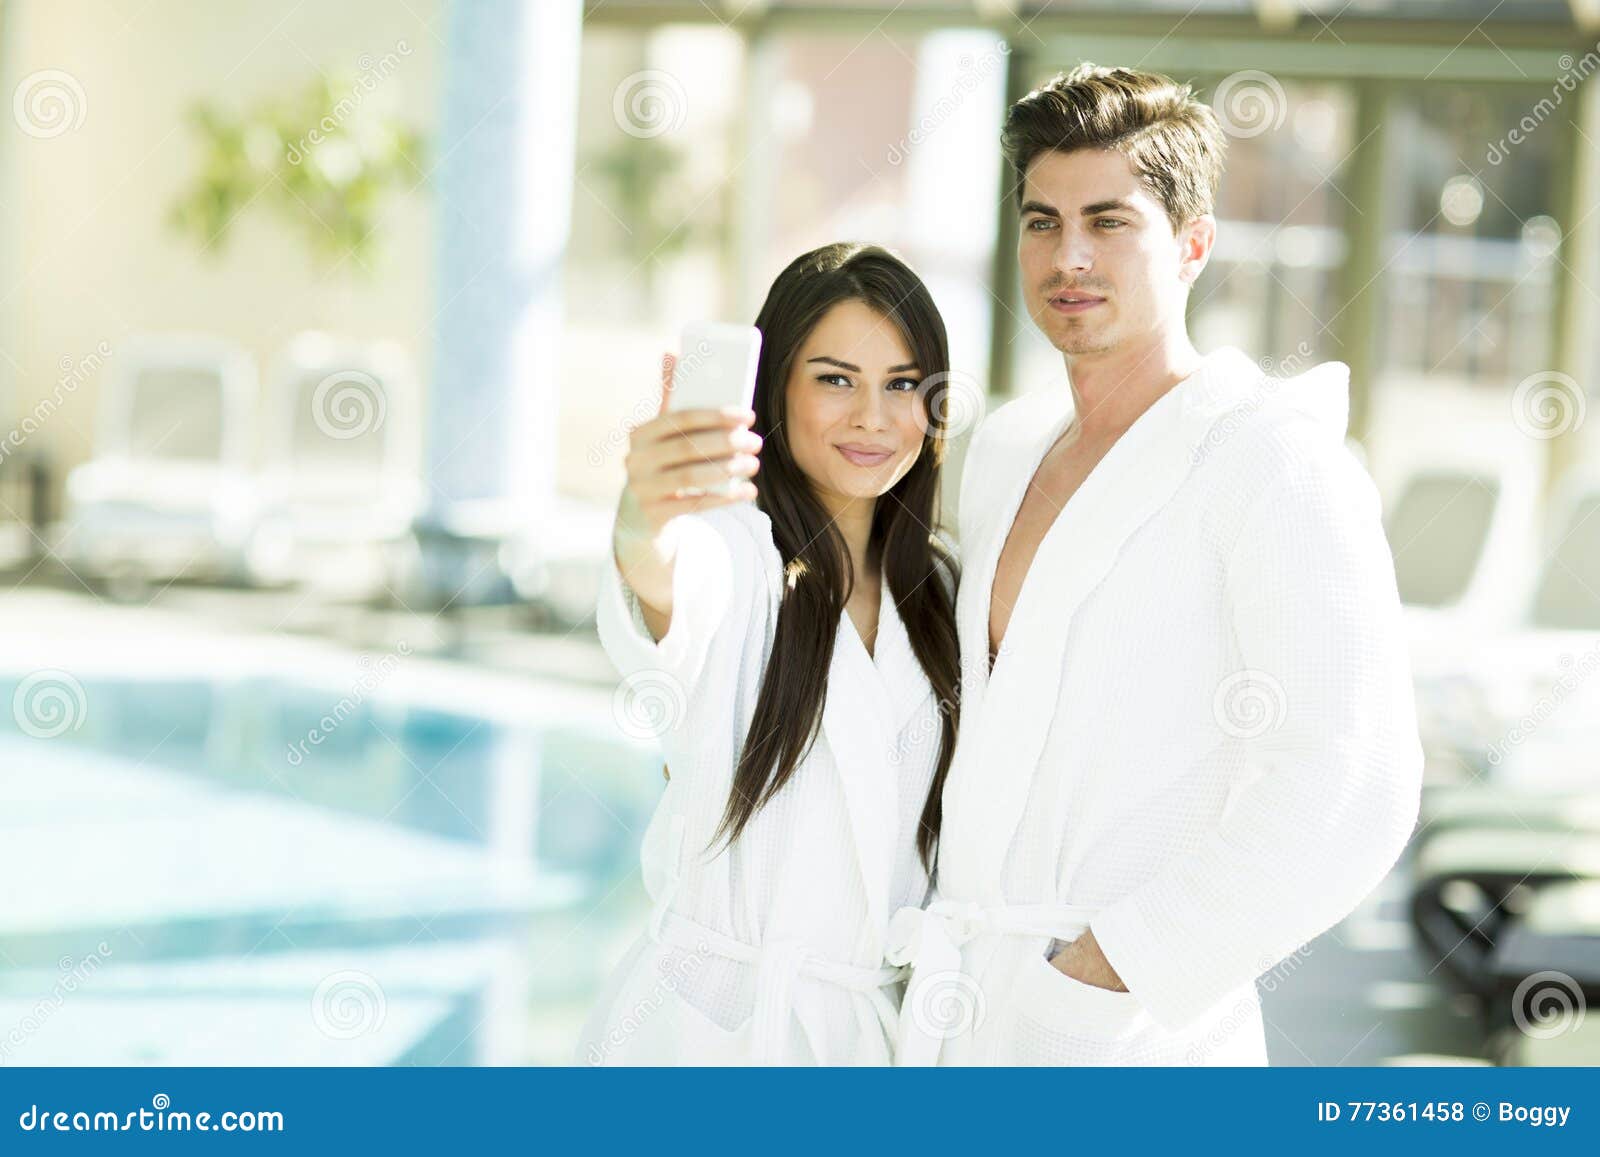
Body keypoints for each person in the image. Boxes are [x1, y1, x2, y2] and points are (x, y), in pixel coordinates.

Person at [886, 63, 1423, 1066]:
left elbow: (1352, 776)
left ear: (1192, 243)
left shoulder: (1269, 457)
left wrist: (1113, 964)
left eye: (1108, 220)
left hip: (1123, 1033)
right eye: (1041, 221)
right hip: (962, 1010)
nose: (1068, 255)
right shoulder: (1006, 451)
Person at [578, 242, 962, 1065]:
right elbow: (669, 575)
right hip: (702, 1039)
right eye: (834, 378)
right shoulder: (739, 553)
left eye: (902, 384)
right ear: (773, 391)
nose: (872, 416)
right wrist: (646, 515)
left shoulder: (941, 594)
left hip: (872, 1039)